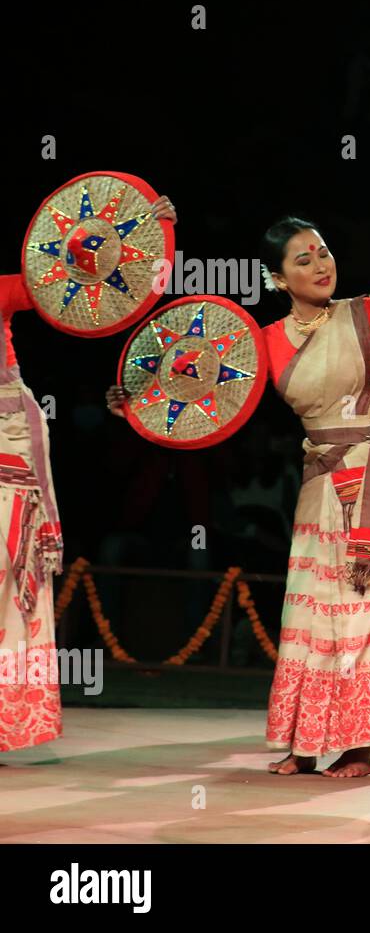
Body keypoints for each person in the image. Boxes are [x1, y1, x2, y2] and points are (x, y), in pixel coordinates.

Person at [111, 217, 370, 778]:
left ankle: (360, 747)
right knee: (311, 612)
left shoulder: (367, 311)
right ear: (277, 278)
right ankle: (305, 742)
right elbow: (203, 385)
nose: (320, 265)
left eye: (324, 251)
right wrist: (138, 404)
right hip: (321, 484)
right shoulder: (264, 341)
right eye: (303, 259)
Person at [2, 195, 176, 755]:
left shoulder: (3, 290)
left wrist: (154, 234)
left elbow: (94, 280)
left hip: (7, 440)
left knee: (5, 578)